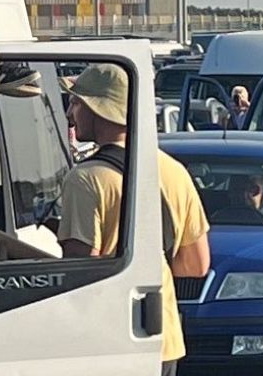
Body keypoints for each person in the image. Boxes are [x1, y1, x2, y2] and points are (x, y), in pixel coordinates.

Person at [56, 64, 209, 375]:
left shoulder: (85, 179)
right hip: (162, 339)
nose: (71, 113)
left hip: (106, 342)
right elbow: (196, 264)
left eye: (76, 103)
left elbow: (79, 273)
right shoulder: (173, 171)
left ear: (99, 110)